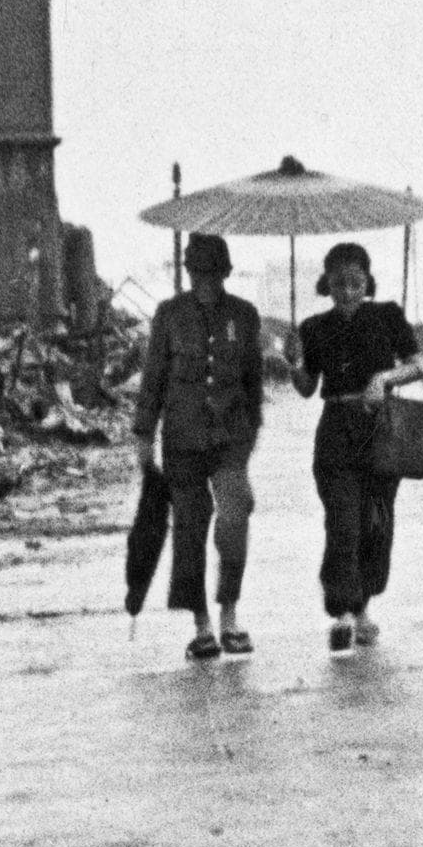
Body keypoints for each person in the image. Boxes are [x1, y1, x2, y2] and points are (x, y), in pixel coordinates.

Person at [133, 232, 267, 658]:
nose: (204, 281)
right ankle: (202, 625)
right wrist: (144, 435)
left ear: (225, 273)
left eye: (212, 273)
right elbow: (153, 378)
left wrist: (249, 432)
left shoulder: (244, 315)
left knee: (235, 516)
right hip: (182, 439)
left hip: (230, 438)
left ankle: (229, 613)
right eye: (196, 273)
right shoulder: (169, 315)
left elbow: (254, 381)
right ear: (188, 272)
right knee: (189, 529)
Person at [295, 243, 421, 649]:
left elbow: (418, 366)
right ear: (326, 284)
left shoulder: (388, 316)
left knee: (376, 522)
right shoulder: (313, 327)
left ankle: (363, 607)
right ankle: (343, 614)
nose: (347, 291)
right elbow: (306, 387)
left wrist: (384, 378)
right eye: (338, 283)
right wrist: (291, 363)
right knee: (342, 522)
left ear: (367, 281)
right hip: (336, 429)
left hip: (382, 429)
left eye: (355, 282)